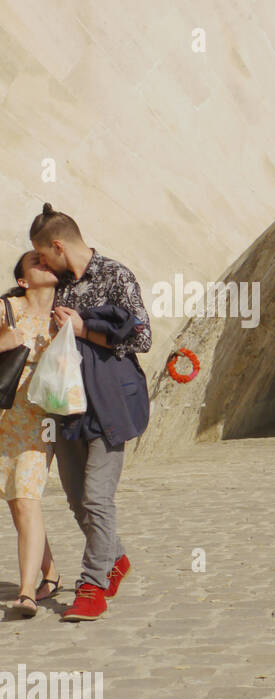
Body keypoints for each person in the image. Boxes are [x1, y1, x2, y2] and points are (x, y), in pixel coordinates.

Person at [32, 204, 152, 622]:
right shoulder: (57, 284)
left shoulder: (116, 275)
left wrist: (86, 331)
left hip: (110, 404)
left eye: (44, 255)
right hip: (67, 407)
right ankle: (114, 559)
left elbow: (143, 337)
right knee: (75, 499)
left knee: (98, 498)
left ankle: (91, 587)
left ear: (59, 245)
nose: (42, 264)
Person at [0, 252, 62, 616]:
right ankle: (49, 573)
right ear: (23, 280)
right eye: (35, 262)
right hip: (5, 416)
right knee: (18, 500)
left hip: (43, 419)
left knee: (25, 497)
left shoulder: (66, 313)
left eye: (46, 259)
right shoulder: (7, 308)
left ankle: (26, 592)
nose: (44, 263)